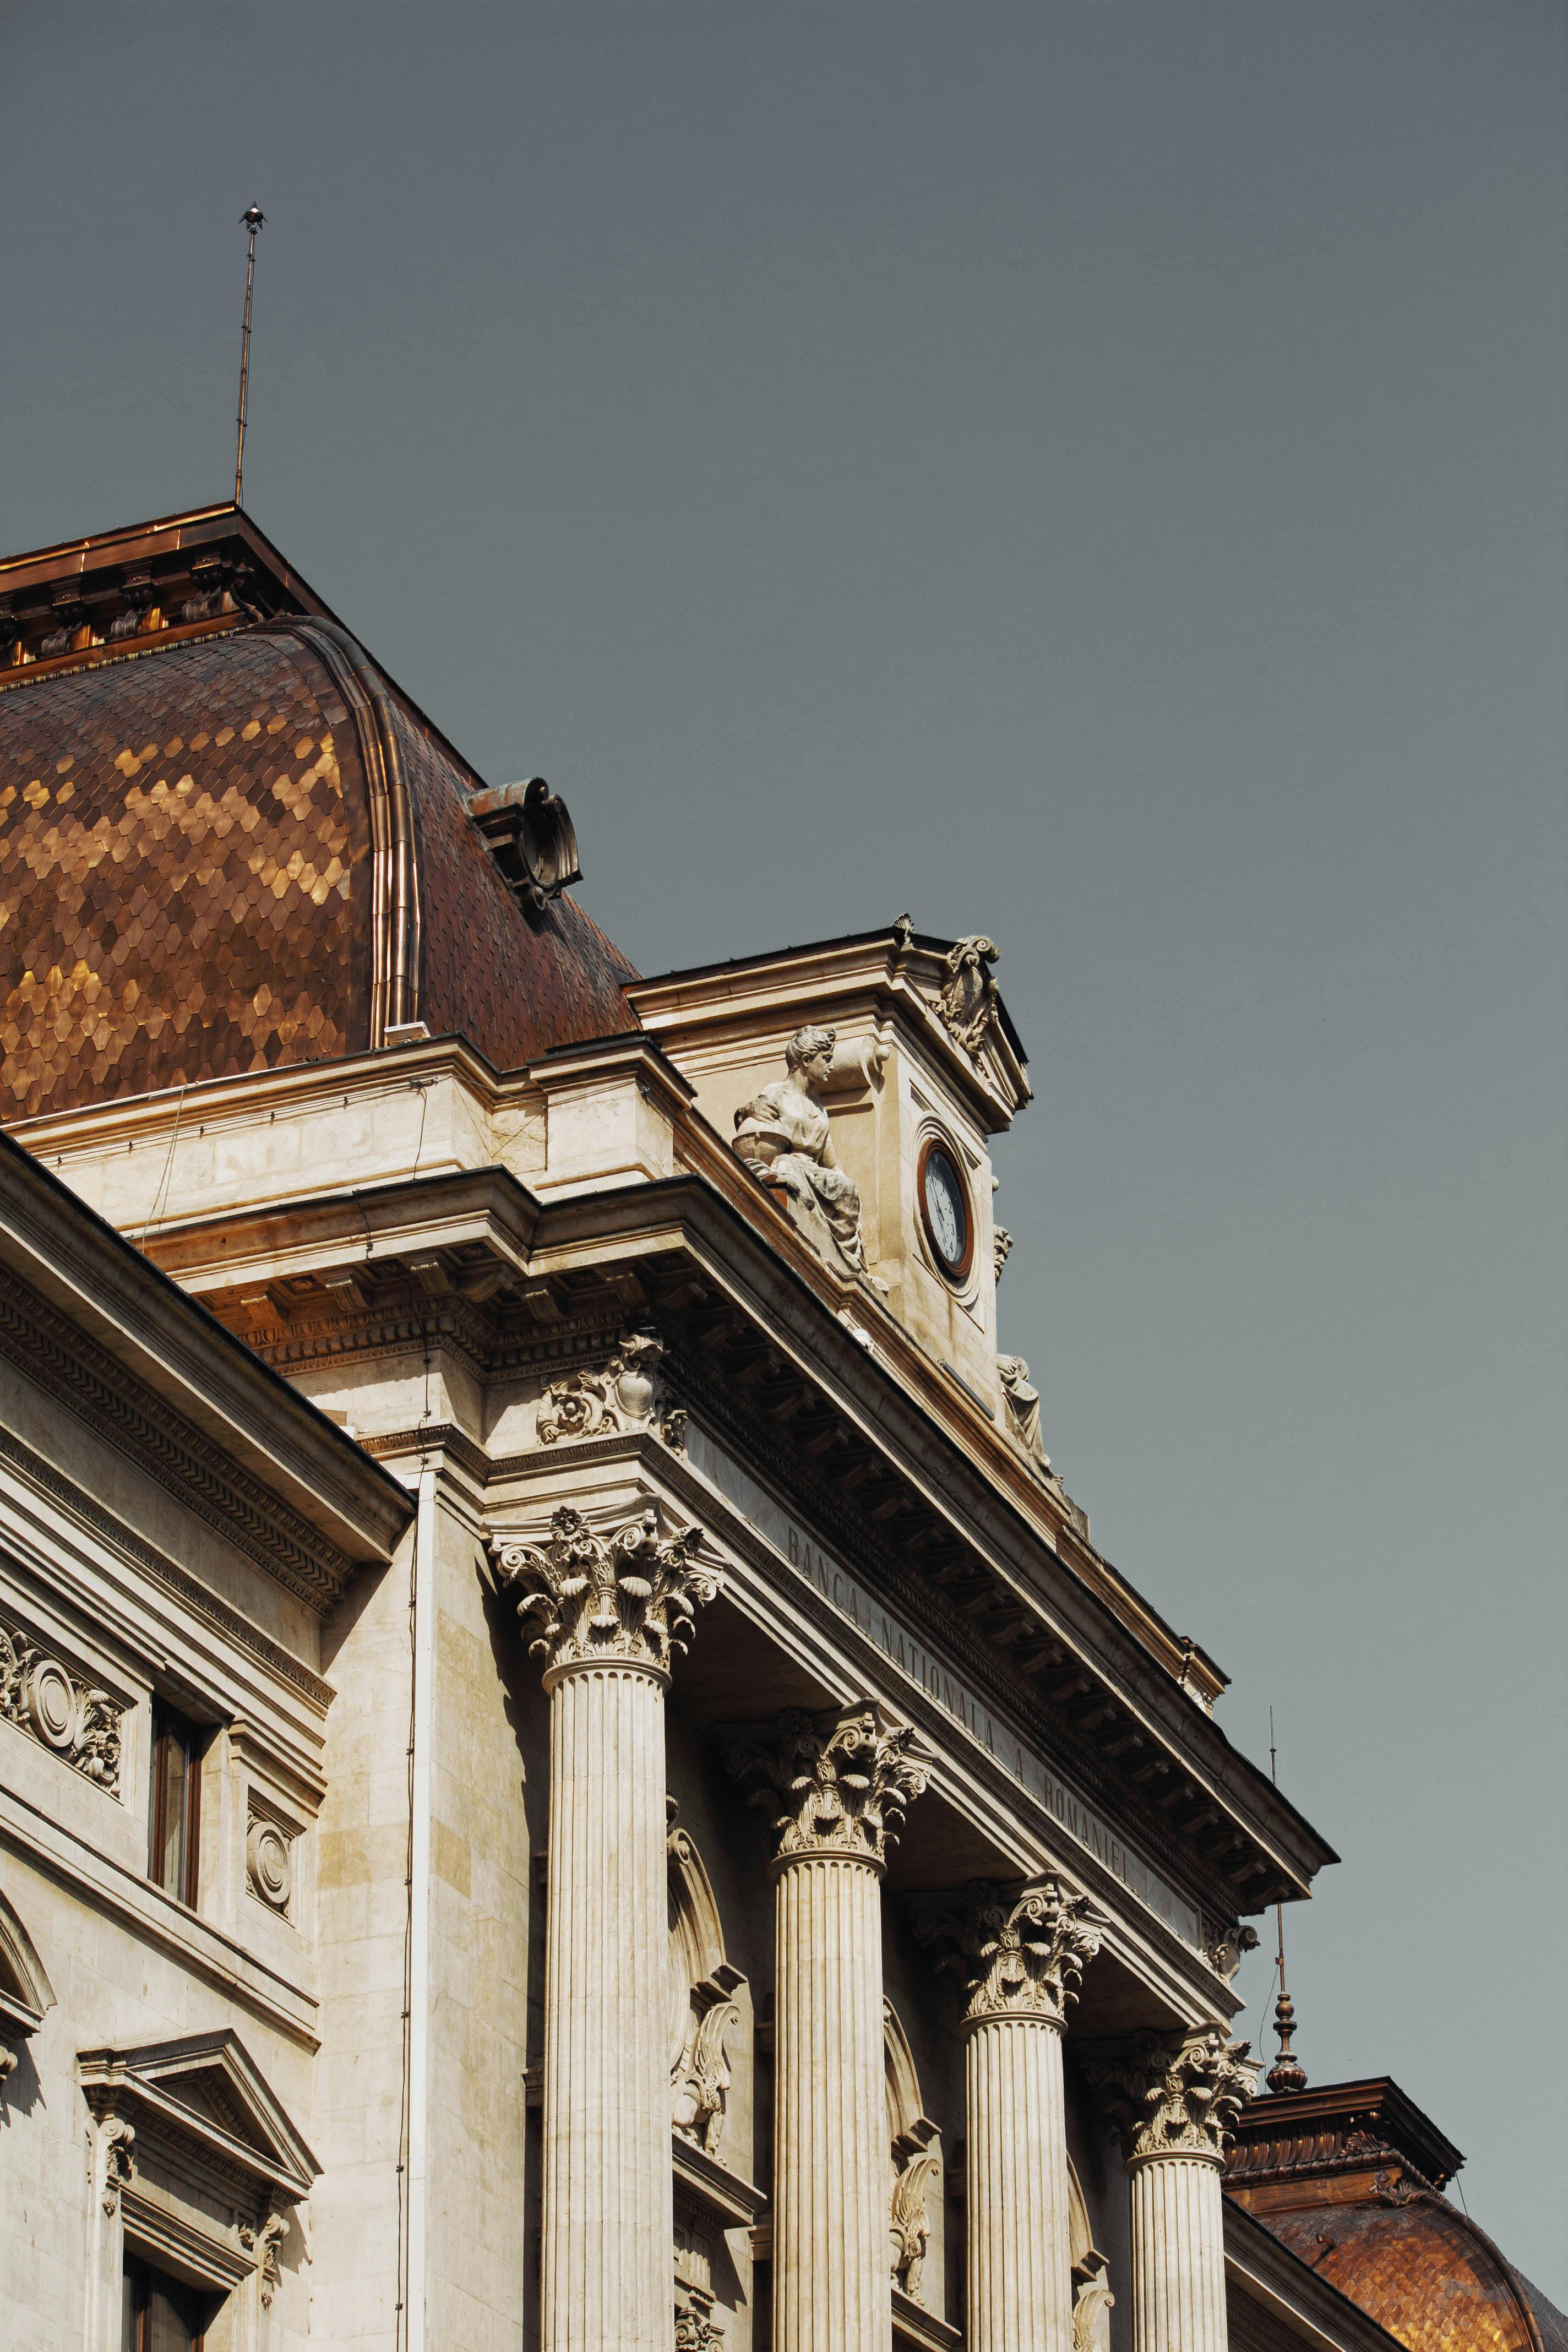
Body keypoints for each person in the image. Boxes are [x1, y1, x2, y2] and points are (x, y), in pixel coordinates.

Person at [733, 1025, 865, 1276]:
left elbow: (830, 1163)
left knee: (847, 1189)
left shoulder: (819, 1108)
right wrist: (747, 1110)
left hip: (816, 1175)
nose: (832, 1067)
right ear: (806, 1060)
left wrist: (851, 1193)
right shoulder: (776, 1092)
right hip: (788, 1164)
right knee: (787, 1168)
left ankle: (846, 1257)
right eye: (826, 1059)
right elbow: (753, 1123)